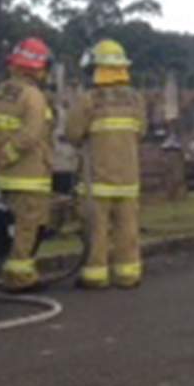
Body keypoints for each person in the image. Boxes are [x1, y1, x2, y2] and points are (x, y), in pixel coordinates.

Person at [0, 37, 56, 292]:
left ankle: (9, 272)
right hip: (30, 176)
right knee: (27, 228)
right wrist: (7, 154)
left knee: (6, 227)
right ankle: (20, 278)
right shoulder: (33, 96)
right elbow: (30, 134)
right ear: (36, 68)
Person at [66, 39, 148, 290]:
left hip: (97, 179)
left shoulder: (89, 100)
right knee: (128, 229)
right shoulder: (136, 100)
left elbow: (73, 133)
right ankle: (128, 274)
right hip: (128, 178)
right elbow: (141, 132)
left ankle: (95, 275)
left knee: (97, 230)